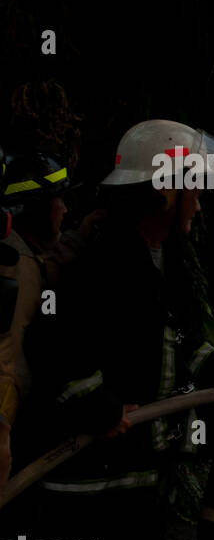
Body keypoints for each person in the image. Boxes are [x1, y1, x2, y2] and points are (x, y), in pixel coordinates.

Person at [26, 120, 214, 540]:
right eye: (194, 187)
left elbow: (183, 341)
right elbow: (51, 344)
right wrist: (97, 404)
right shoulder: (105, 260)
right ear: (165, 192)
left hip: (149, 433)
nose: (200, 201)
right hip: (100, 457)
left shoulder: (164, 256)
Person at [0, 150, 100, 492]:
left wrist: (82, 235)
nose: (66, 209)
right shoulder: (14, 266)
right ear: (37, 206)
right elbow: (7, 362)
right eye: (60, 200)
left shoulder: (24, 254)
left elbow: (51, 263)